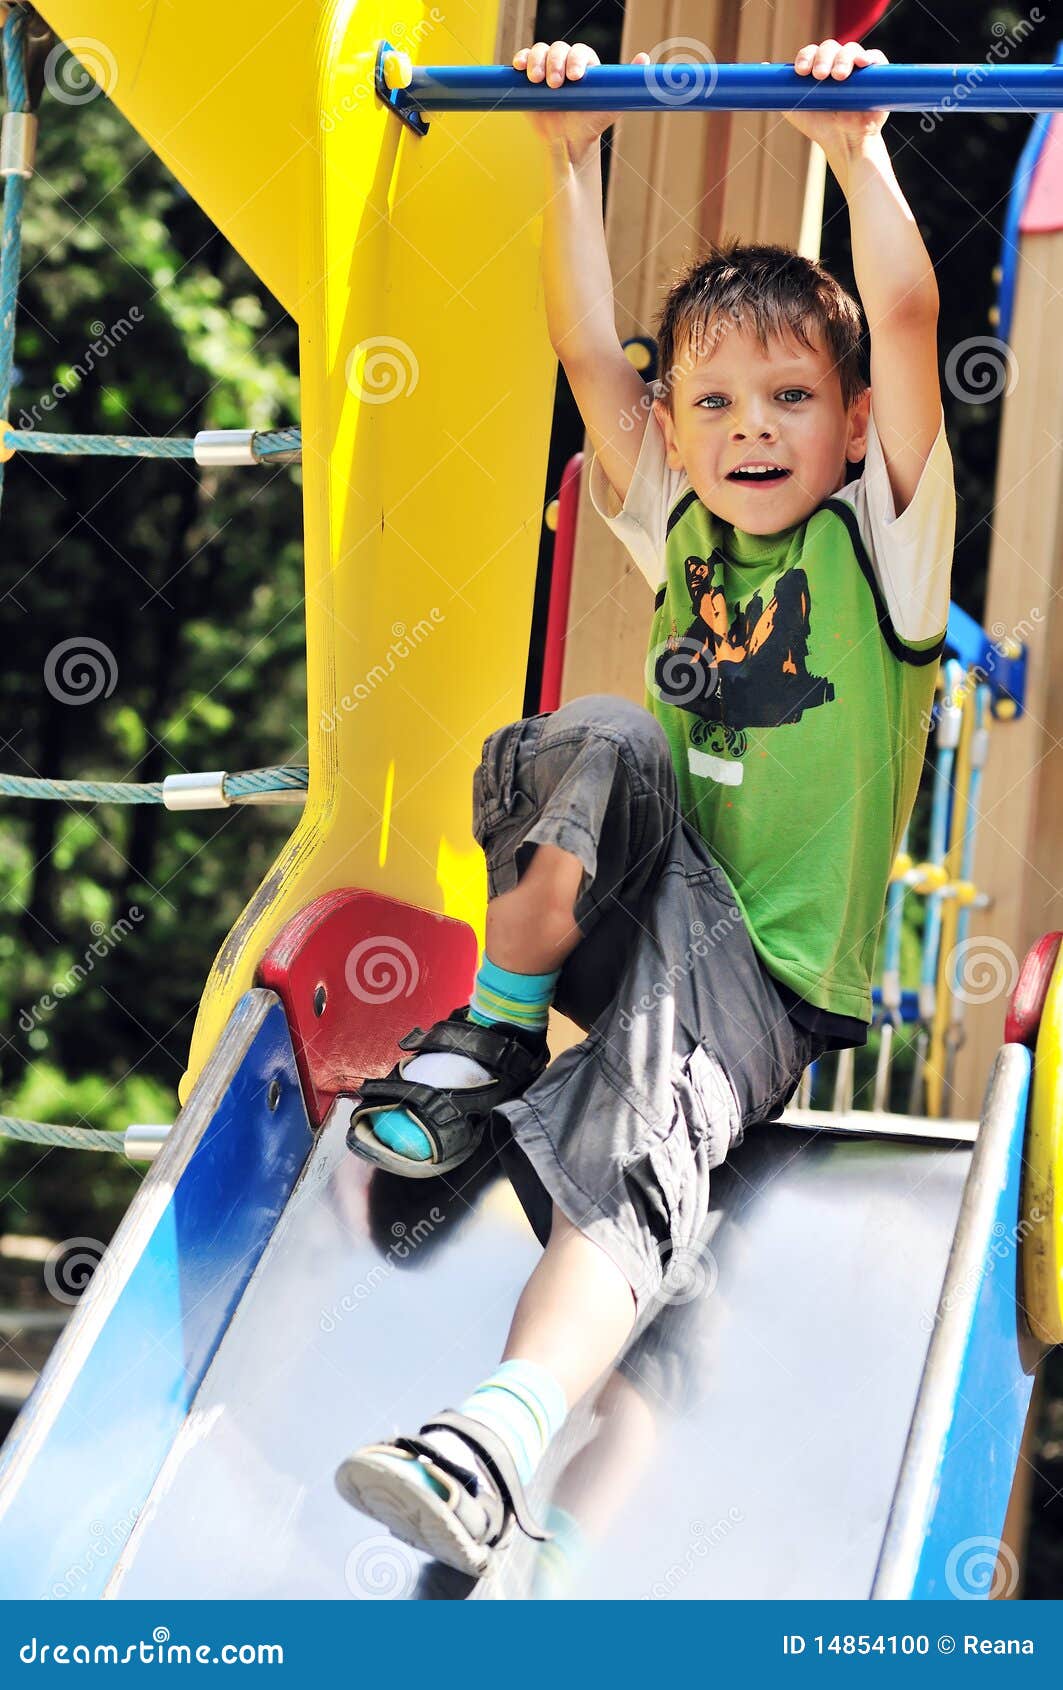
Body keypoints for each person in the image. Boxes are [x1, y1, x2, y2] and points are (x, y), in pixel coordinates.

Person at [334, 33, 955, 1585]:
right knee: (602, 731)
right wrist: (568, 161)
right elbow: (588, 356)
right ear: (673, 428)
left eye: (793, 398)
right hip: (636, 908)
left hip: (761, 973)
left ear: (853, 426)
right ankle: (499, 1022)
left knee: (636, 1145)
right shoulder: (674, 519)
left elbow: (903, 316)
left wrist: (860, 153)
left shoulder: (883, 552)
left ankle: (498, 1435)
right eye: (717, 401)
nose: (753, 428)